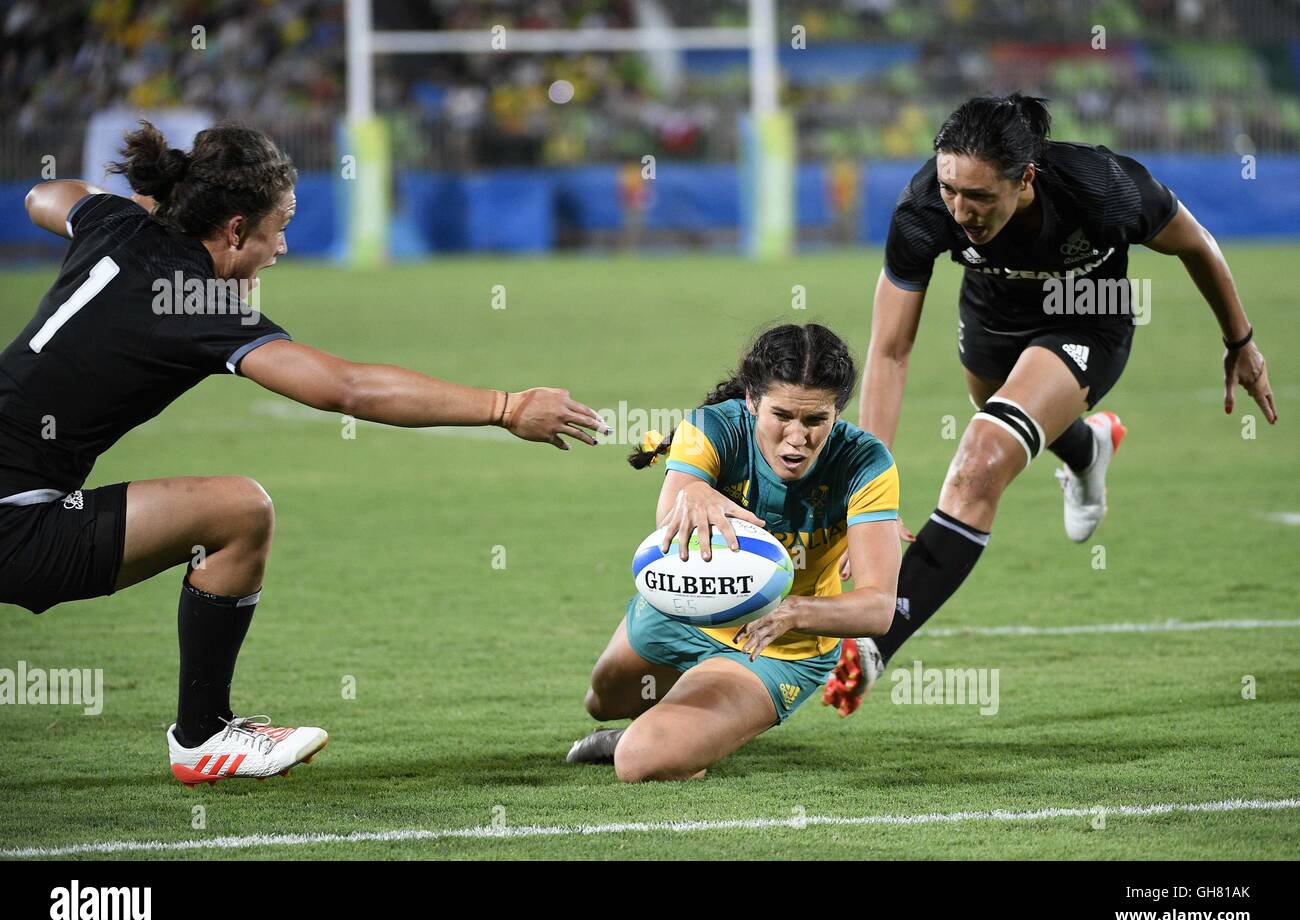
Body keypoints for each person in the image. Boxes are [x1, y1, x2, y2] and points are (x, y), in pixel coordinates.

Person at [1, 121, 610, 786]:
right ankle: (202, 736)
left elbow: (42, 195)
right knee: (239, 512)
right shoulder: (196, 299)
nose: (282, 246)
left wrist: (132, 209)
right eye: (276, 226)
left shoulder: (113, 224)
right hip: (16, 522)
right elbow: (344, 388)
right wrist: (506, 406)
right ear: (235, 230)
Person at [828, 94, 1277, 712]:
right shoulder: (925, 207)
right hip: (992, 323)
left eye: (980, 197)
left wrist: (1241, 342)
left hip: (1088, 322)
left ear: (1026, 179)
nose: (960, 210)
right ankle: (1087, 446)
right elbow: (890, 349)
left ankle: (878, 642)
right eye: (951, 189)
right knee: (994, 410)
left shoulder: (1104, 189)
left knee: (982, 456)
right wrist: (870, 495)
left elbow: (1198, 244)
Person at [566, 324, 901, 781]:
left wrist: (794, 612)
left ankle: (663, 731)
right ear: (752, 401)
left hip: (775, 644)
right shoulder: (712, 426)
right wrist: (691, 495)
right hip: (685, 605)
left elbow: (879, 607)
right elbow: (669, 514)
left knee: (641, 759)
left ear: (837, 413)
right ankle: (679, 713)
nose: (797, 438)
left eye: (815, 420)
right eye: (781, 415)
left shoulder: (866, 462)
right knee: (603, 702)